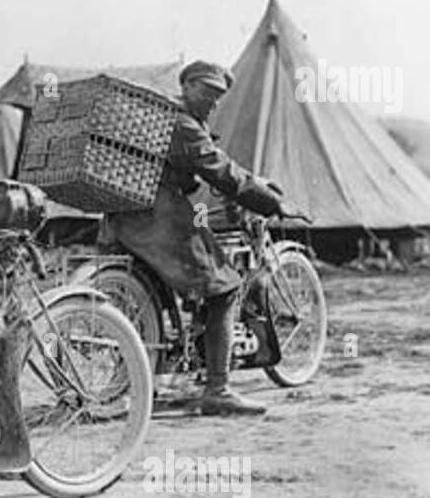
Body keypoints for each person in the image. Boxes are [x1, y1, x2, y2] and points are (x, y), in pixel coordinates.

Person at [99, 60, 309, 416]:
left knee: (145, 297)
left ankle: (128, 379)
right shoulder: (182, 124)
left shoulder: (162, 119)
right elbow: (220, 170)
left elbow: (211, 163)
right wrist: (274, 203)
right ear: (188, 86)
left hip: (121, 220)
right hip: (158, 218)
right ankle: (218, 388)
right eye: (207, 93)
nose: (212, 103)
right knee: (225, 287)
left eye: (217, 98)